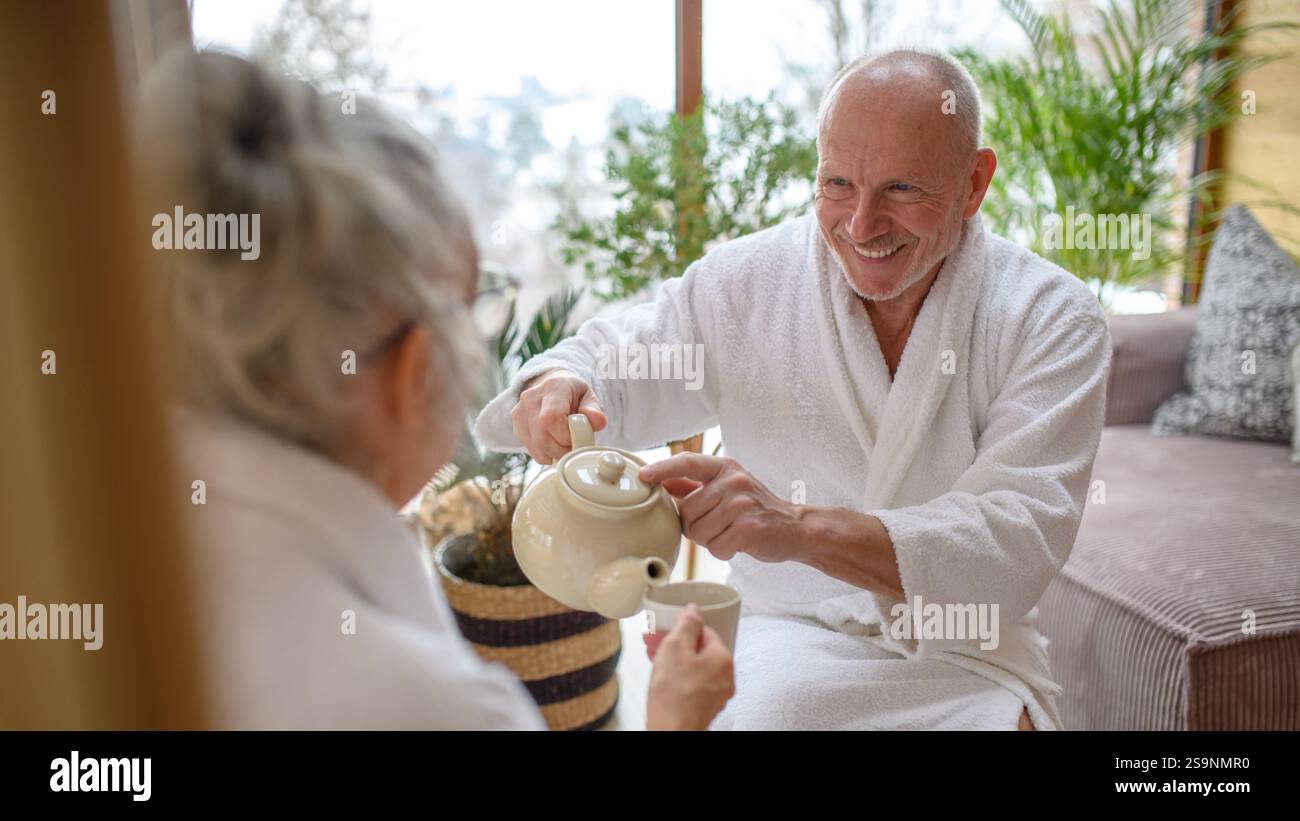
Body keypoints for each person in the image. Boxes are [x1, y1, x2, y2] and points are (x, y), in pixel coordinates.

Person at [475, 48, 1113, 730]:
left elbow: (1015, 542)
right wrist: (565, 381)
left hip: (967, 646)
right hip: (789, 628)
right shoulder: (748, 283)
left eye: (901, 189)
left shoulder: (1051, 317)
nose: (862, 225)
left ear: (974, 181)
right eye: (838, 183)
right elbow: (617, 360)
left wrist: (797, 528)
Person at [137, 50, 733, 730]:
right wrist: (676, 718)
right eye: (469, 308)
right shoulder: (434, 704)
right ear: (416, 368)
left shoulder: (108, 537)